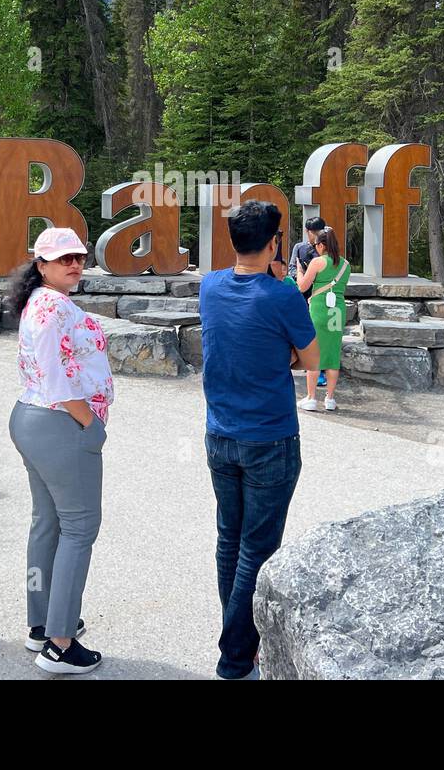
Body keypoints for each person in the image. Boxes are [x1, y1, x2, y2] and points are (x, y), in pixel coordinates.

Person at [198, 201, 319, 680]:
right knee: (256, 549)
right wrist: (281, 354)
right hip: (270, 437)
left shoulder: (210, 287)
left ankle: (239, 643)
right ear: (274, 243)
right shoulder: (283, 296)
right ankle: (235, 656)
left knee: (229, 540)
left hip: (220, 434)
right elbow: (312, 361)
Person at [6, 227, 112, 675]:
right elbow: (55, 376)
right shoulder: (52, 306)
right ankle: (61, 643)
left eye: (79, 257)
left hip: (36, 419)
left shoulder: (42, 301)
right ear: (41, 264)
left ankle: (43, 622)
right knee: (79, 528)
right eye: (63, 258)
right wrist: (89, 422)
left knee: (47, 523)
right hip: (60, 422)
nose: (74, 264)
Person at [296, 225, 351, 411]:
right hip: (337, 311)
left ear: (320, 245)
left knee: (314, 354)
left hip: (320, 310)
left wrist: (299, 270)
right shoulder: (346, 265)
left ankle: (311, 398)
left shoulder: (318, 262)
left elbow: (302, 287)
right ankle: (330, 399)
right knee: (333, 354)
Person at [289, 217, 328, 387]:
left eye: (318, 232)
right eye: (313, 232)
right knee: (304, 331)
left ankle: (321, 370)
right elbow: (292, 267)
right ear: (307, 232)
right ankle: (306, 364)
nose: (315, 235)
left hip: (320, 295)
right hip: (303, 295)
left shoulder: (326, 247)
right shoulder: (299, 247)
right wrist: (302, 275)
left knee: (320, 332)